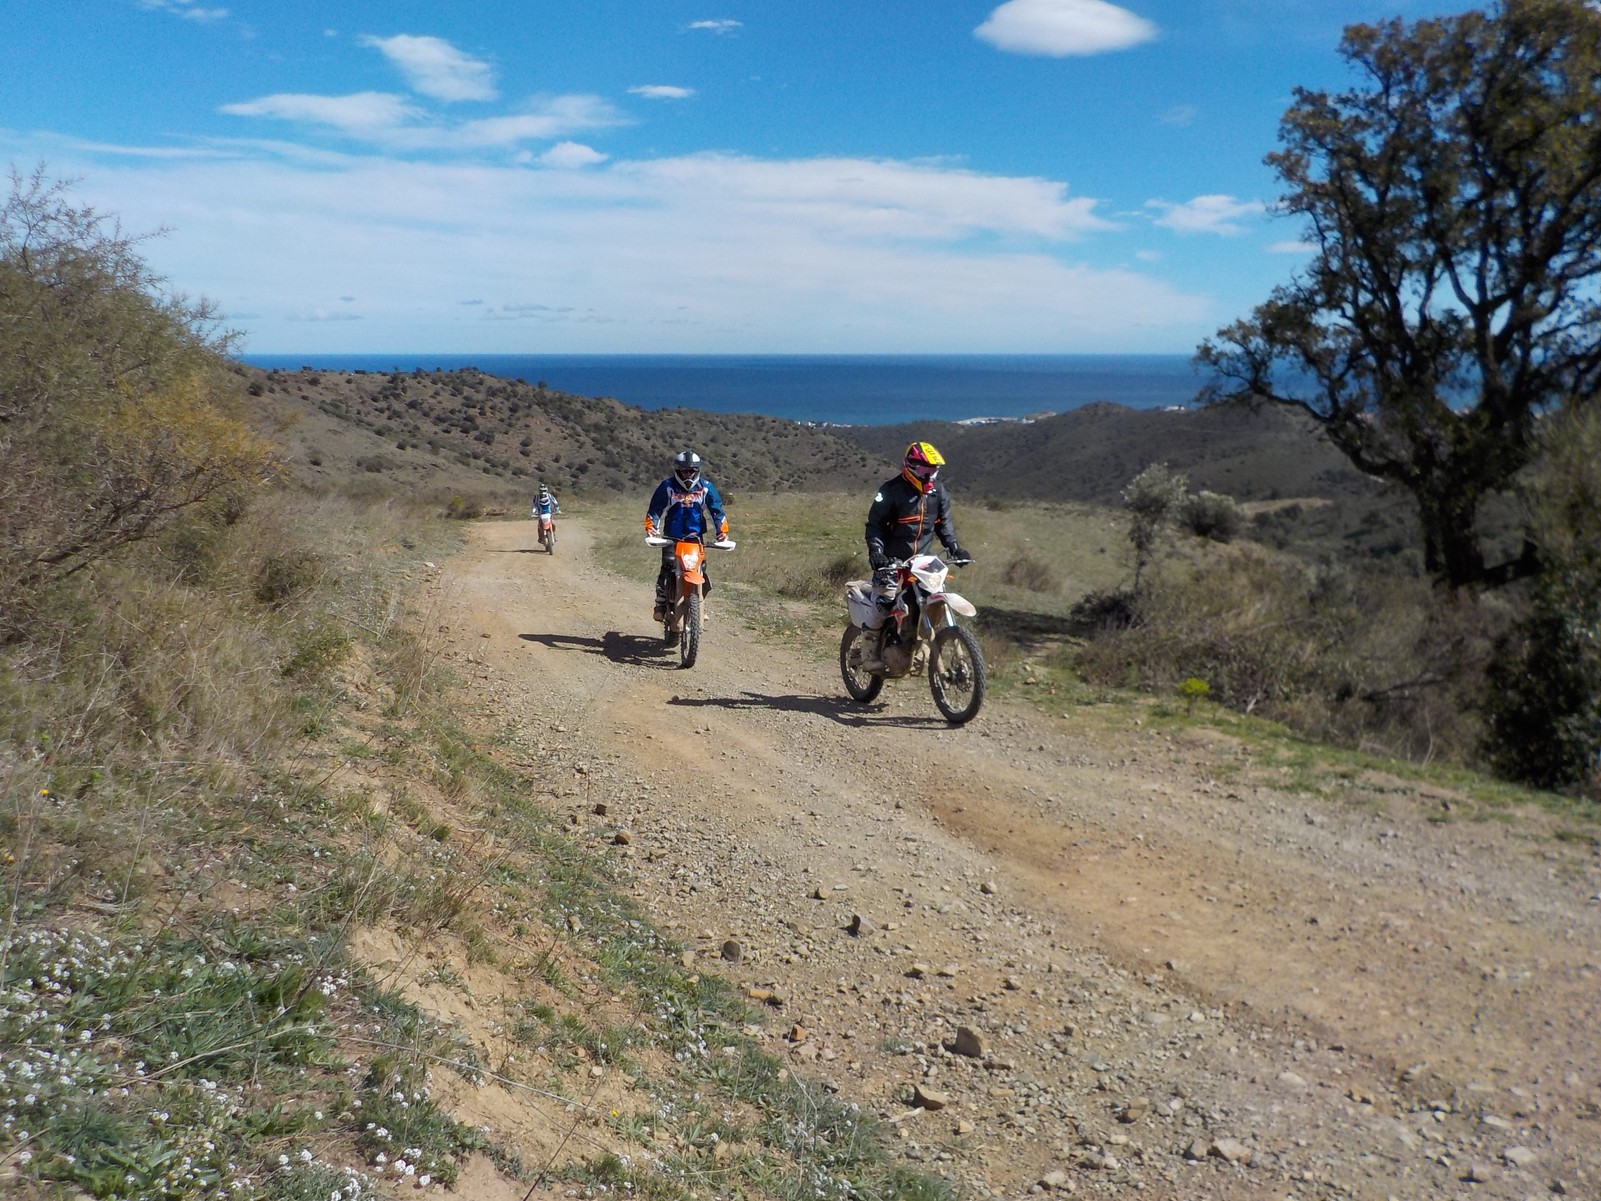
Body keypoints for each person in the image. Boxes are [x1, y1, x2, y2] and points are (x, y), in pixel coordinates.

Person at [860, 441, 971, 671]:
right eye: (924, 470)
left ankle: (917, 644)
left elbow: (944, 525)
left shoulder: (938, 493)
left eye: (933, 471)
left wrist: (955, 547)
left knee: (934, 598)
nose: (929, 475)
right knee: (884, 602)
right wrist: (877, 552)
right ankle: (869, 654)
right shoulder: (890, 491)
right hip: (891, 560)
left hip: (921, 561)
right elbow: (875, 526)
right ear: (910, 466)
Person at [644, 449, 729, 622]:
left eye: (691, 471)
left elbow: (717, 512)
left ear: (697, 470)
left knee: (701, 570)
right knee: (667, 566)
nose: (688, 474)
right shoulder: (667, 487)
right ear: (678, 470)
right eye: (684, 471)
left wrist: (722, 532)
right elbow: (655, 510)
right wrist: (652, 528)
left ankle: (699, 602)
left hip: (695, 538)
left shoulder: (706, 488)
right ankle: (661, 603)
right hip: (671, 537)